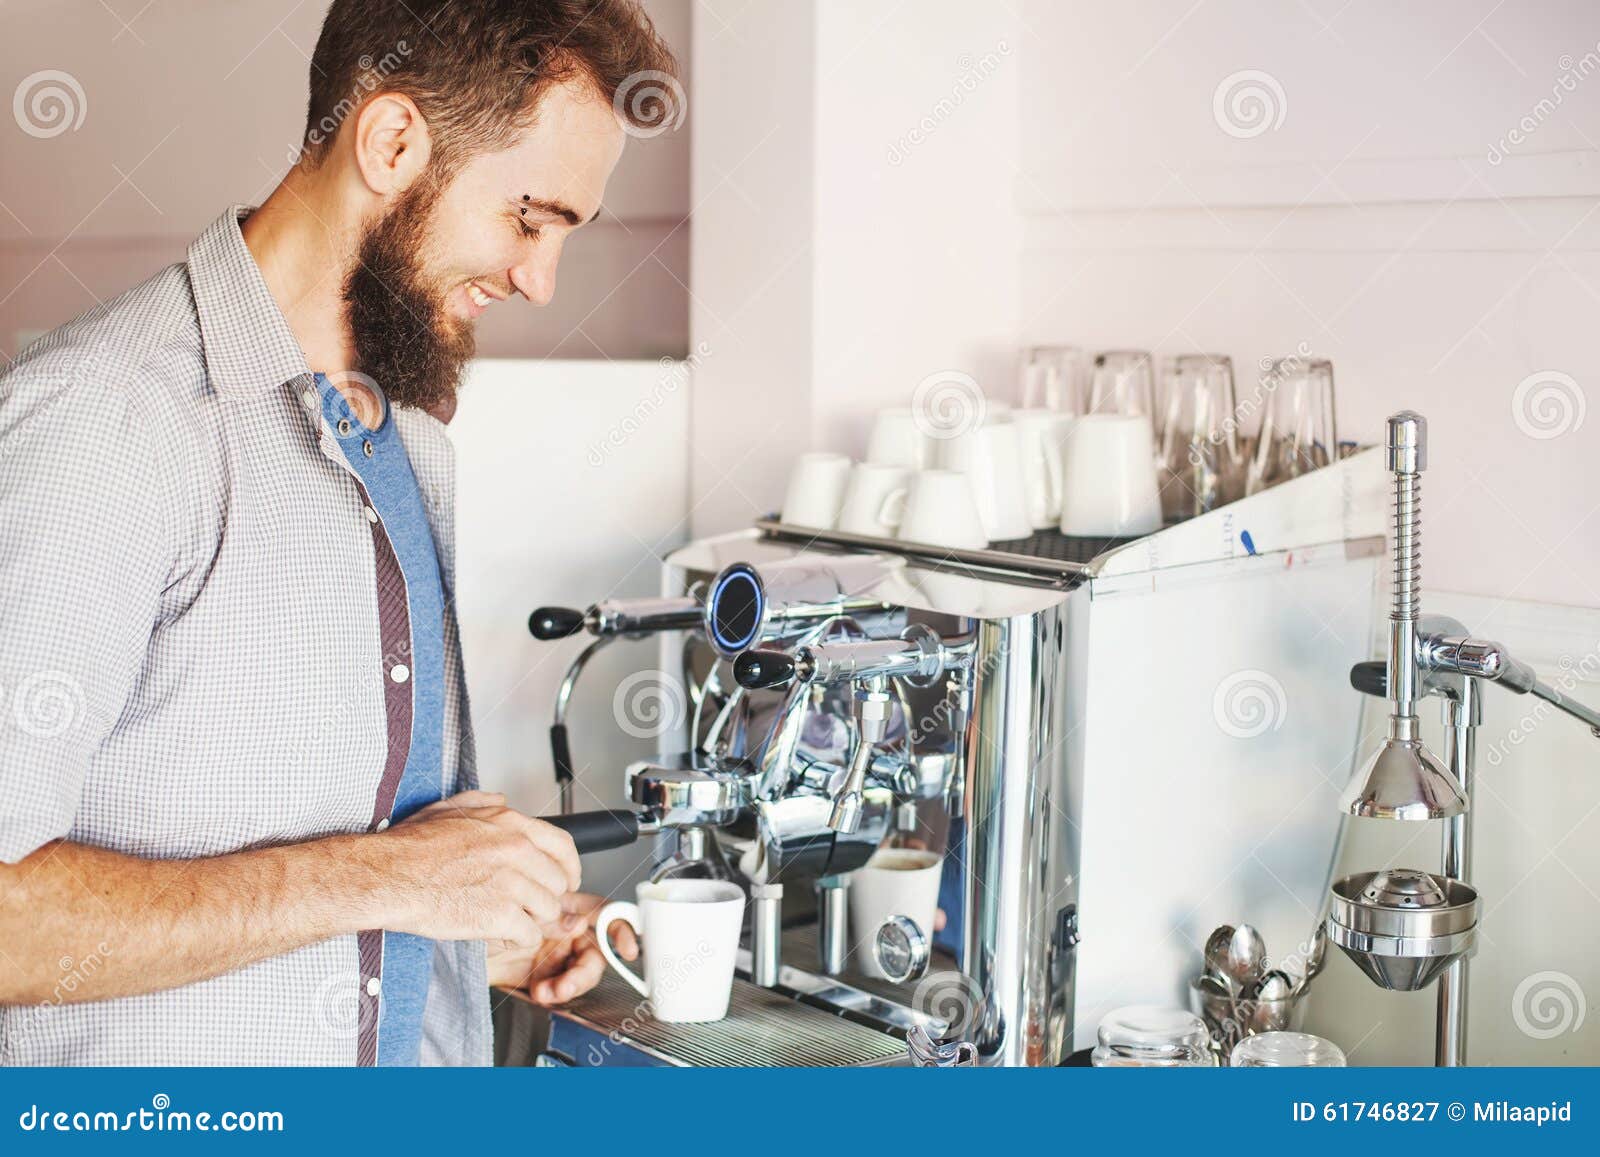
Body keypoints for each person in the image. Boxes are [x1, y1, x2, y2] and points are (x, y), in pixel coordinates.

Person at [0, 0, 678, 1066]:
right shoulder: (111, 419)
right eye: (529, 219)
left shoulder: (405, 435)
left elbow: (354, 874)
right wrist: (393, 878)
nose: (540, 280)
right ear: (393, 141)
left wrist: (471, 923)